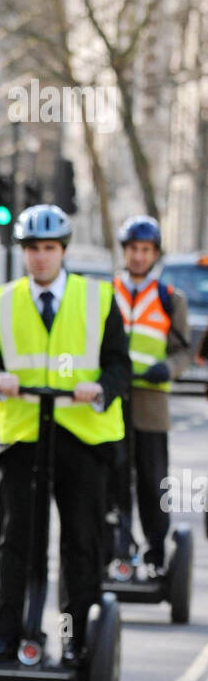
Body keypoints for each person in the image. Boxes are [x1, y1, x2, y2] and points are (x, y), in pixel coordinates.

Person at [0, 204, 131, 664]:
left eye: (49, 248)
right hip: (24, 437)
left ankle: (77, 639)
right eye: (32, 248)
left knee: (81, 543)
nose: (40, 257)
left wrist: (101, 389)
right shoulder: (1, 301)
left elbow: (119, 367)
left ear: (63, 250)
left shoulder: (99, 298)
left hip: (82, 436)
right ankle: (9, 637)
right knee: (17, 544)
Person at [110, 215, 190, 576]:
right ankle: (119, 550)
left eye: (146, 250)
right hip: (112, 403)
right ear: (124, 252)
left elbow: (183, 352)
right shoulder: (106, 293)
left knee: (152, 481)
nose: (139, 257)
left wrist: (168, 369)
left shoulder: (170, 299)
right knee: (114, 478)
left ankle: (156, 553)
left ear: (155, 254)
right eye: (133, 250)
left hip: (151, 406)